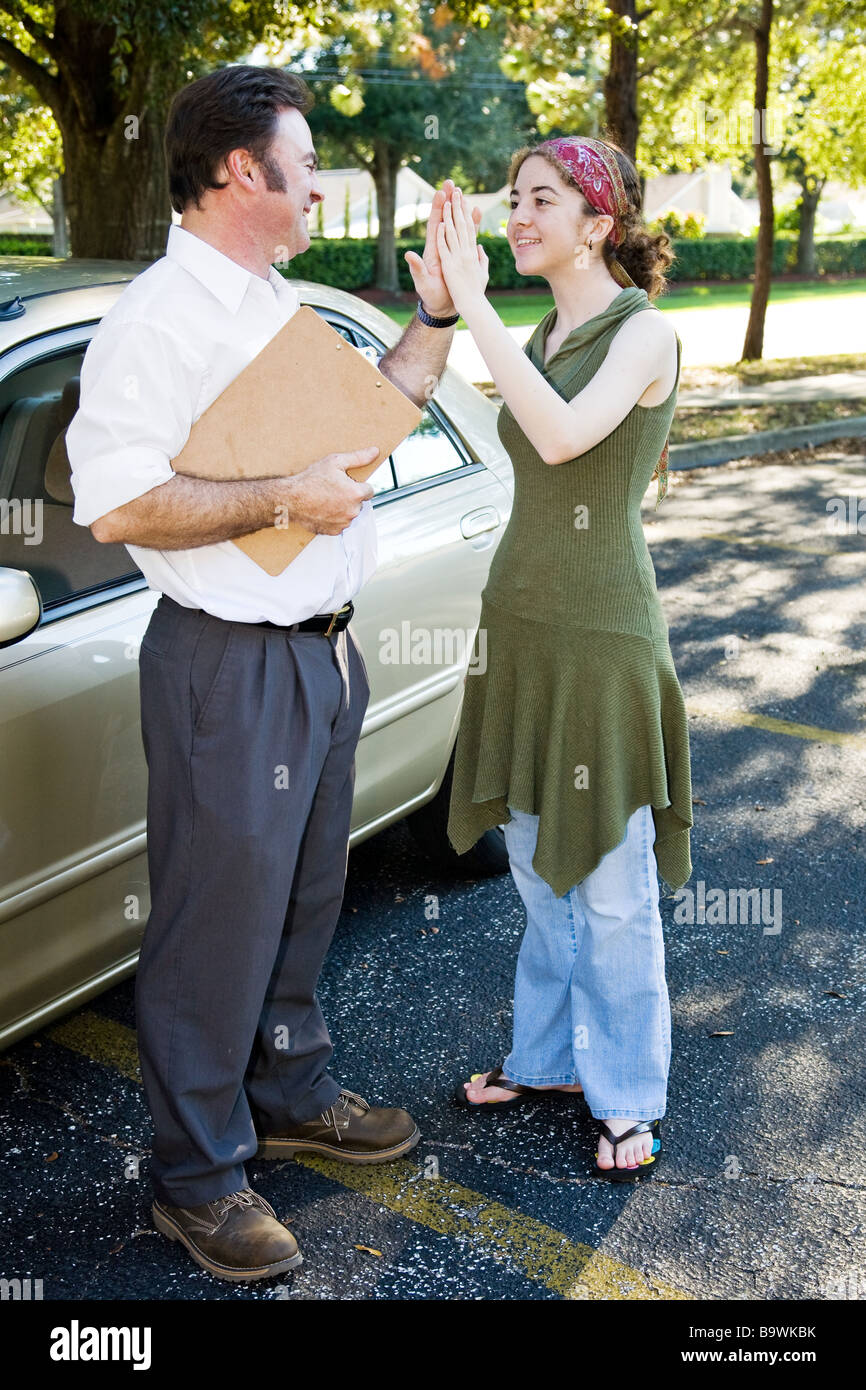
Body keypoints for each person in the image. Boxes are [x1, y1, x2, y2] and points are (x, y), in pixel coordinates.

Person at [65, 63, 479, 1281]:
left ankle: (288, 1096)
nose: (314, 190)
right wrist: (281, 495)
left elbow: (383, 411)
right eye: (302, 169)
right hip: (224, 669)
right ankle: (193, 1183)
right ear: (243, 175)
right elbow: (119, 501)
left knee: (300, 904)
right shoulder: (156, 319)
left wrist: (440, 317)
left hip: (319, 652)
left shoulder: (265, 302)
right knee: (212, 930)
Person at [437, 136, 693, 1180]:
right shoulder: (541, 331)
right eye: (510, 200)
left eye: (539, 199)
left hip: (600, 639)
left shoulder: (643, 334)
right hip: (524, 628)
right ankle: (544, 1059)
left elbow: (556, 440)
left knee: (611, 882)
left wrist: (475, 304)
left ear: (598, 223)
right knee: (541, 866)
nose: (516, 215)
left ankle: (627, 1098)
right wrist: (444, 304)